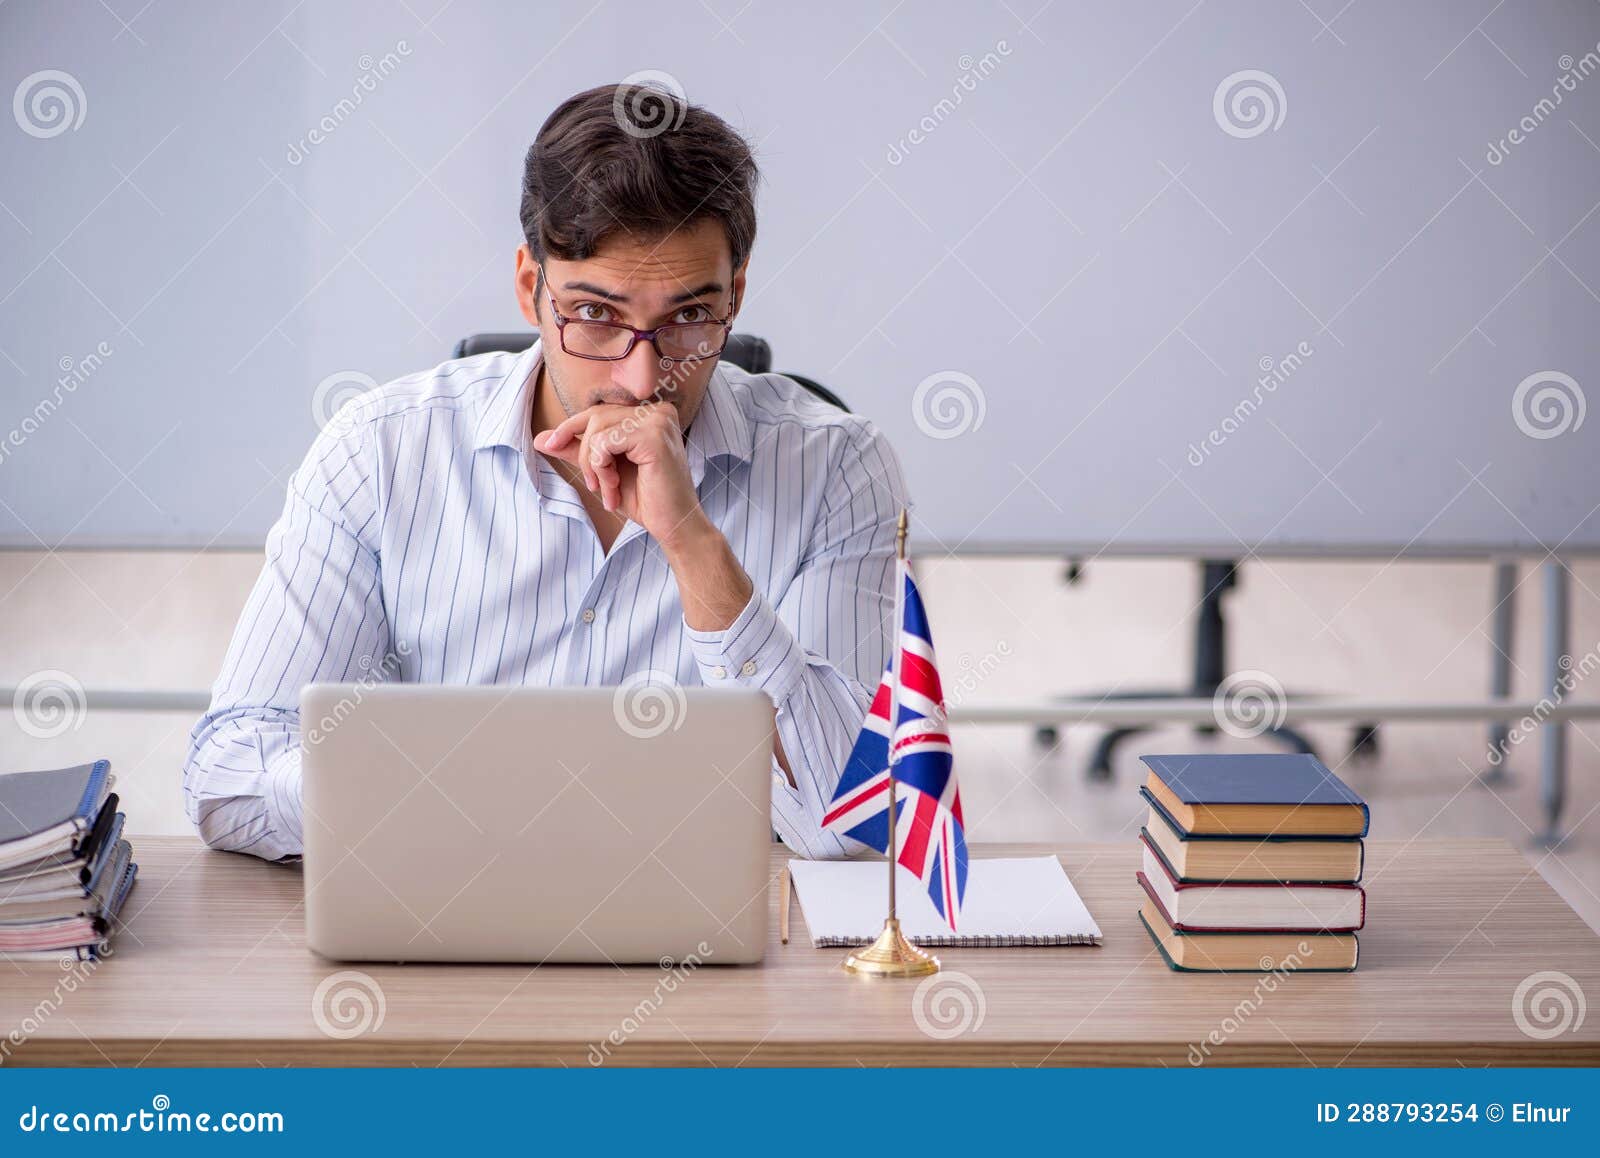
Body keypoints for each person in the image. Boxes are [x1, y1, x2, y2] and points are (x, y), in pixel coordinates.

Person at [182, 82, 910, 862]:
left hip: (704, 959)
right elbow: (227, 777)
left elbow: (852, 824)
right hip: (438, 927)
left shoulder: (838, 468)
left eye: (689, 318)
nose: (640, 380)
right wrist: (416, 797)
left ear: (735, 295)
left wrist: (694, 544)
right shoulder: (381, 452)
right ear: (532, 288)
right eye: (597, 315)